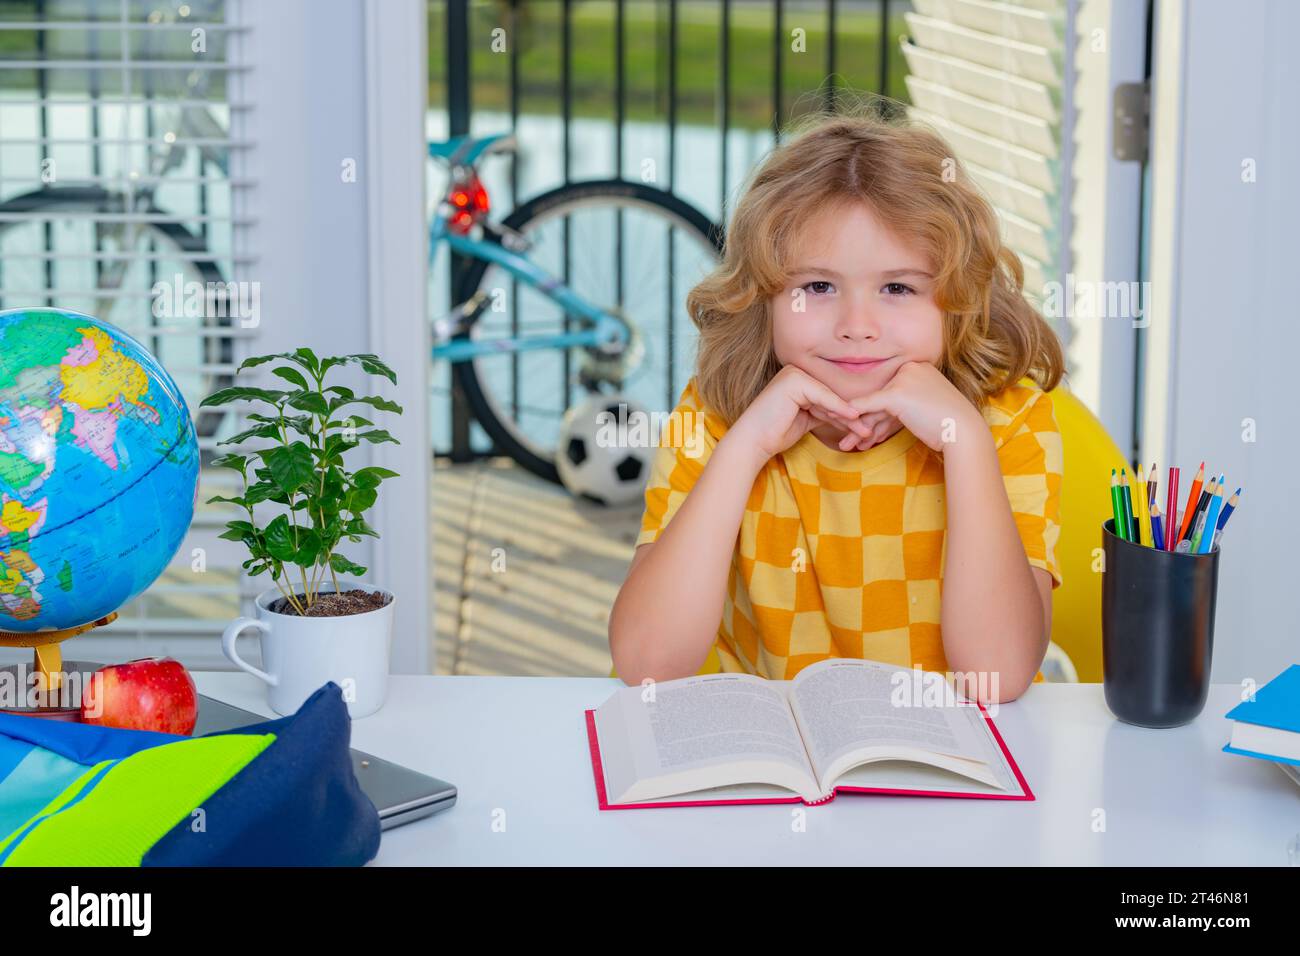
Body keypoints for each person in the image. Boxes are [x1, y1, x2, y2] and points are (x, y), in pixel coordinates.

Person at [608, 105, 1066, 704]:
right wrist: (745, 446)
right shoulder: (716, 415)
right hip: (775, 762)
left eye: (898, 288)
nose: (856, 326)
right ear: (764, 298)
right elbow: (646, 662)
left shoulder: (1006, 420)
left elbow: (998, 675)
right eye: (817, 287)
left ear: (957, 303)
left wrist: (964, 442)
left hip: (946, 769)